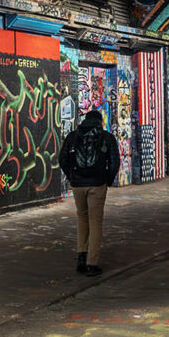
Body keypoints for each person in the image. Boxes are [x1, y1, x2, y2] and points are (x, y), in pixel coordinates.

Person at [60, 108, 121, 275]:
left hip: (78, 184)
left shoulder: (73, 137)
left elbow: (62, 158)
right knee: (95, 222)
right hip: (97, 184)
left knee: (82, 219)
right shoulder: (106, 137)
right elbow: (115, 162)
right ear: (100, 121)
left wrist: (72, 177)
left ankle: (81, 257)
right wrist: (107, 180)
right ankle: (92, 264)